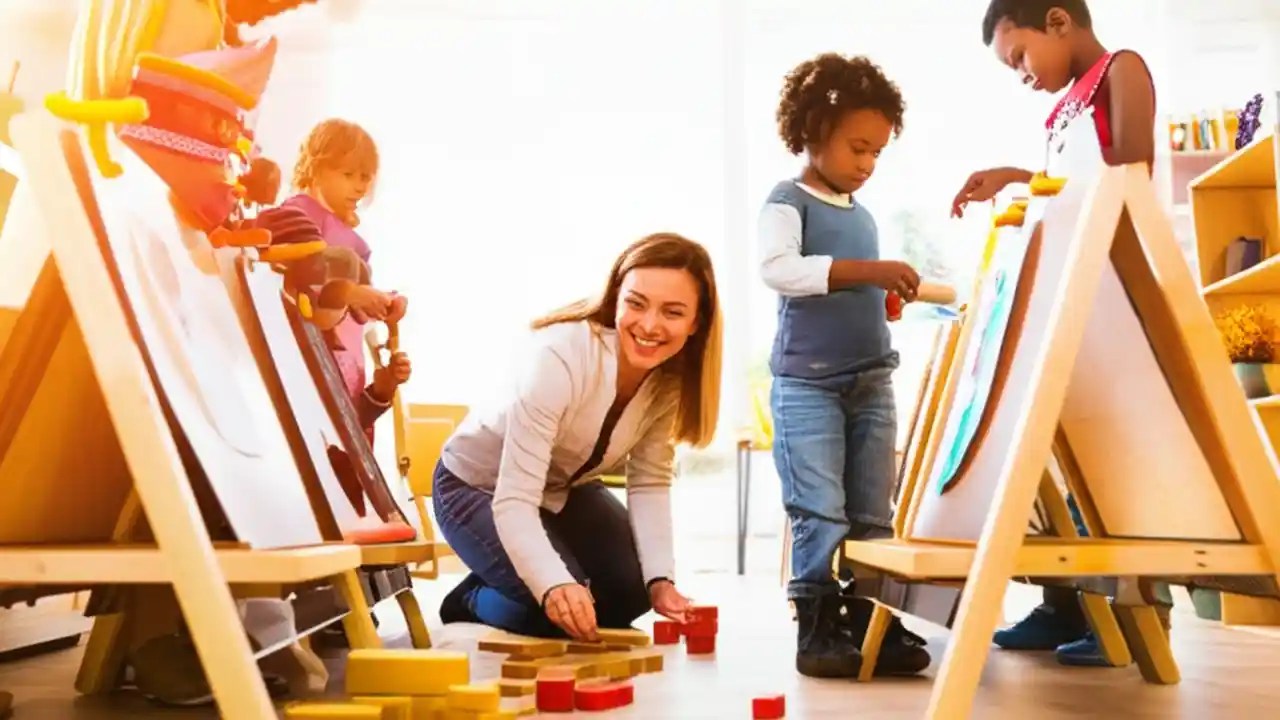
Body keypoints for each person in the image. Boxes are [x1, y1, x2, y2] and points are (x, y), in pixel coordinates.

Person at [949, 0, 1164, 667]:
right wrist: (1019, 179)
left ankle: (1133, 616)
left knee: (1117, 459)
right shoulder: (1061, 110)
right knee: (1055, 457)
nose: (1020, 74)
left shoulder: (1119, 72)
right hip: (1072, 295)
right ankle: (1062, 601)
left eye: (1018, 57)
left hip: (1115, 291)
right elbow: (1068, 190)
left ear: (1058, 22)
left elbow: (1127, 179)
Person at [434, 233, 721, 641]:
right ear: (616, 297)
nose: (650, 325)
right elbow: (516, 498)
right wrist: (553, 585)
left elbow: (650, 481)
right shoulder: (559, 355)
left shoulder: (670, 379)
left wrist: (661, 580)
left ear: (697, 323)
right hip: (476, 486)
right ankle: (470, 600)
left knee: (629, 594)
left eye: (673, 312)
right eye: (636, 303)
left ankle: (514, 576)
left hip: (562, 489)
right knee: (558, 607)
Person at [758, 52, 930, 679]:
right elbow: (780, 269)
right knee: (820, 509)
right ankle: (818, 623)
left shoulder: (864, 217)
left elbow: (849, 287)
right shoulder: (786, 201)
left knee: (872, 513)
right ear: (812, 132)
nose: (867, 164)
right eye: (859, 147)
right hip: (808, 384)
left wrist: (881, 297)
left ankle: (872, 619)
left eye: (877, 153)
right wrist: (869, 273)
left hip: (870, 379)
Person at [283, 119, 411, 439]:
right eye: (348, 174)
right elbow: (297, 285)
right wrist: (352, 293)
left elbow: (357, 309)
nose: (360, 186)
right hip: (310, 378)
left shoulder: (355, 242)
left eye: (366, 177)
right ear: (316, 169)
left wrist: (386, 302)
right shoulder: (297, 216)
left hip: (345, 385)